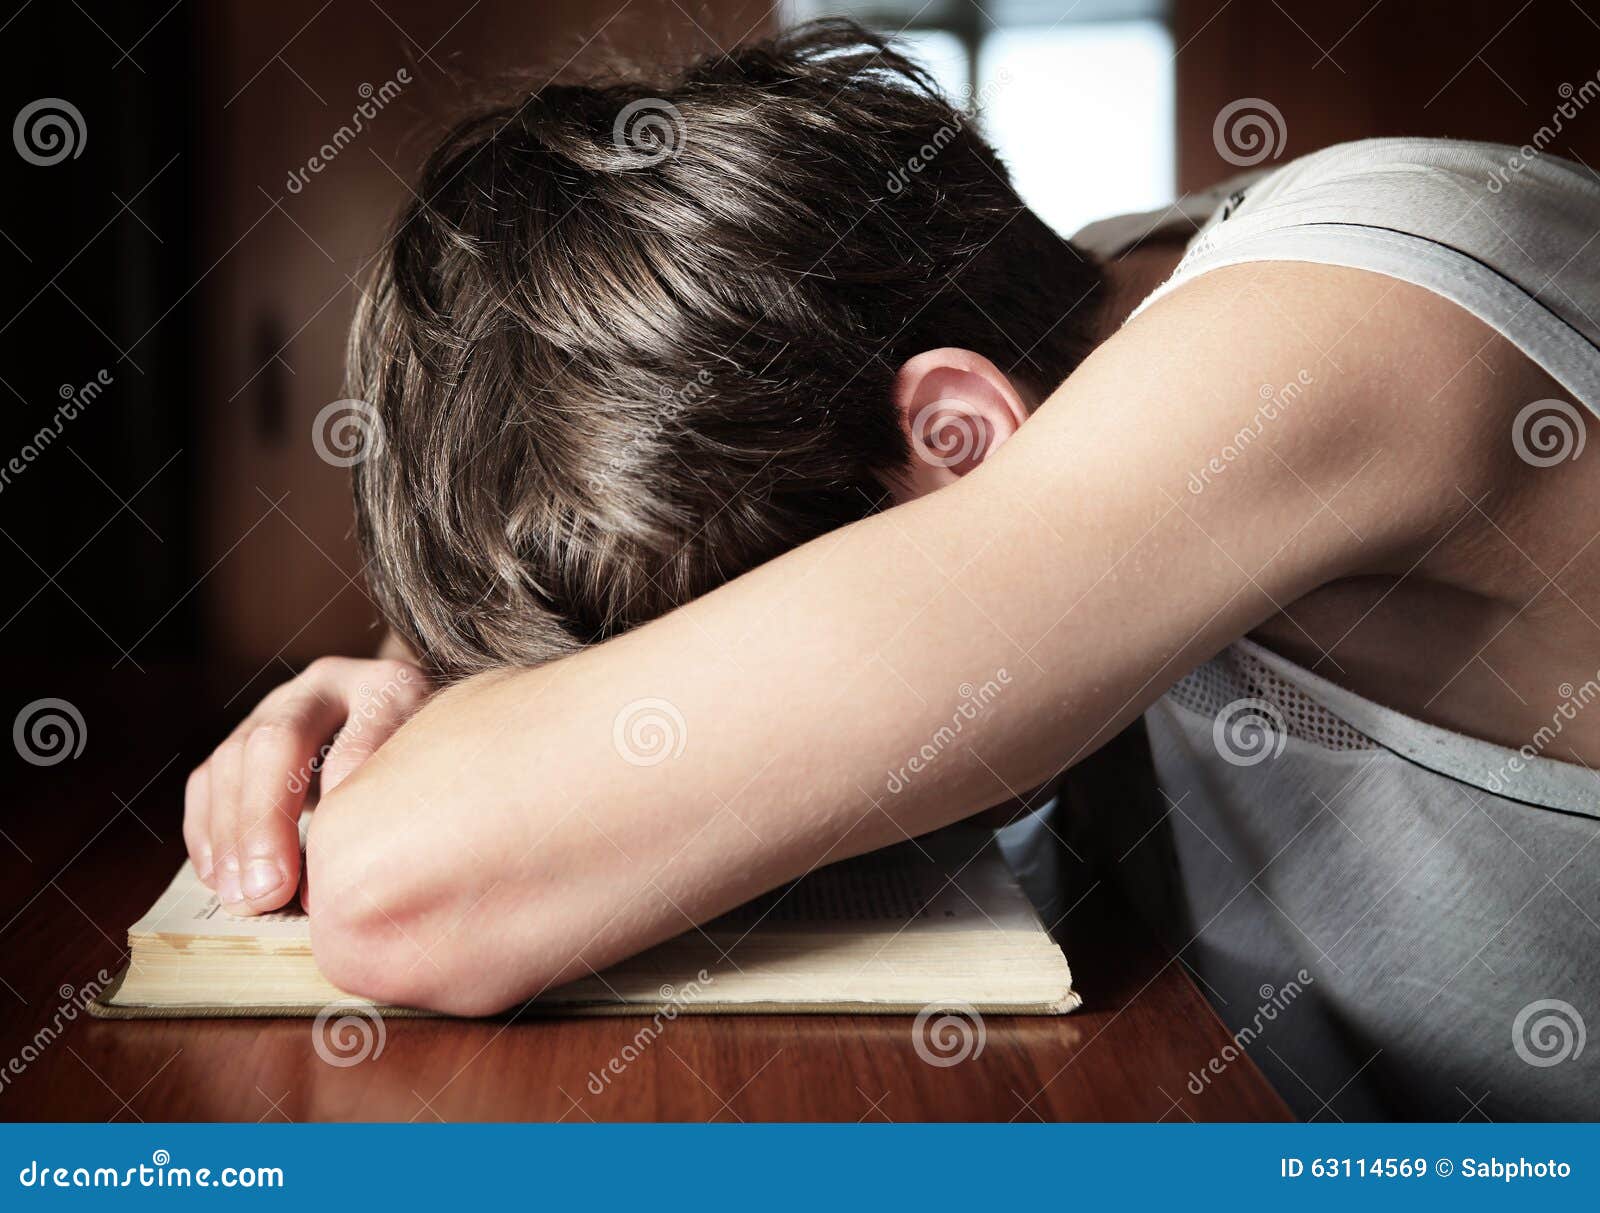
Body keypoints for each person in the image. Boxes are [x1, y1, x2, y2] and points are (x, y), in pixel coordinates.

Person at [182, 22, 1600, 1117]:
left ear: (959, 439)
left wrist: (440, 764)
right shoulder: (1081, 317)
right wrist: (403, 676)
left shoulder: (1346, 338)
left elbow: (404, 889)